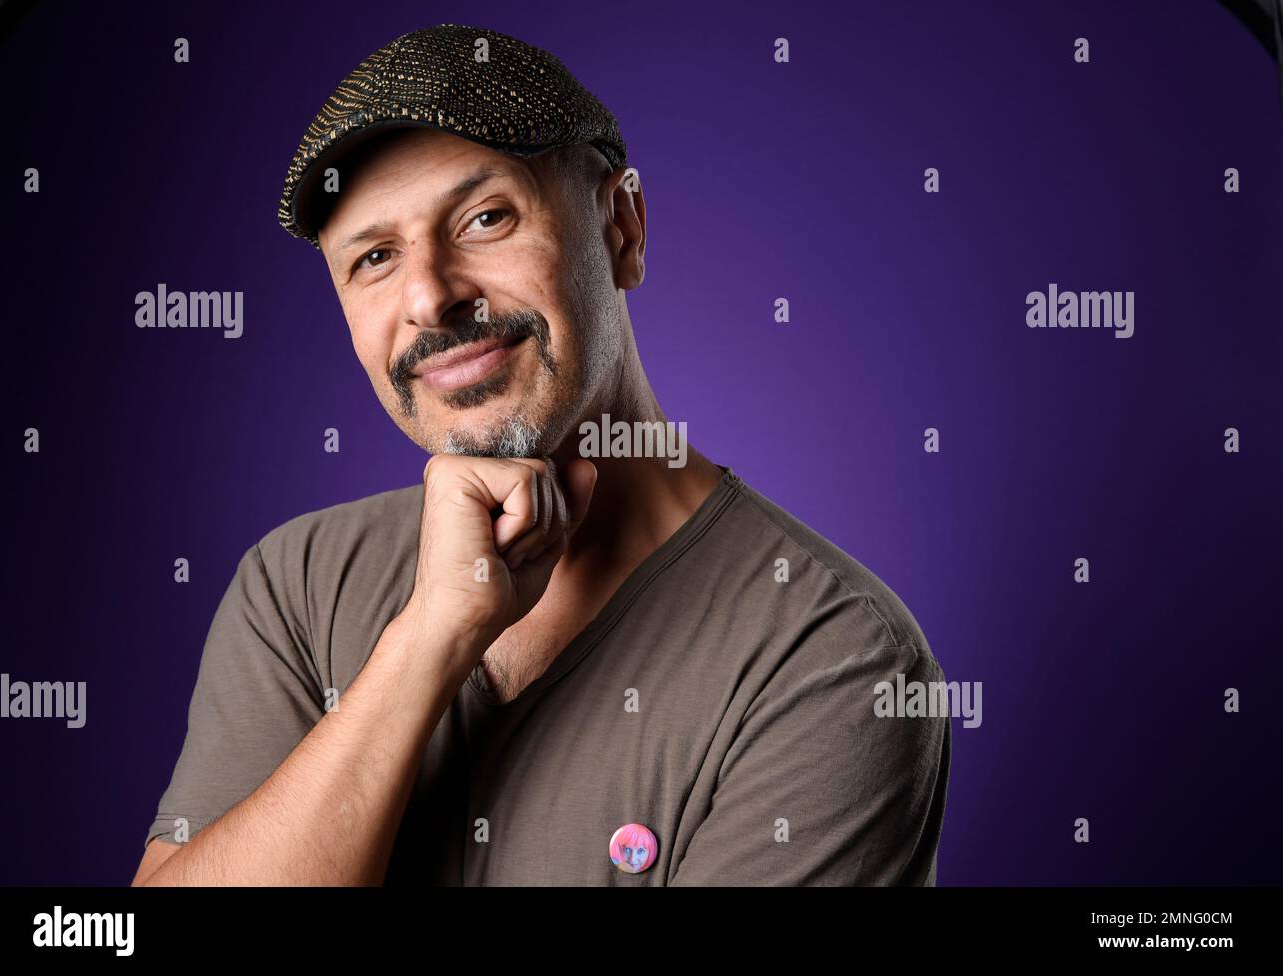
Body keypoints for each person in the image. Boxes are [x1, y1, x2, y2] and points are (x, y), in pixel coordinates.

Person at [132, 23, 950, 886]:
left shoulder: (833, 657)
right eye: (374, 258)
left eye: (486, 217)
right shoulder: (297, 584)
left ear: (622, 229)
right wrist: (433, 637)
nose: (430, 297)